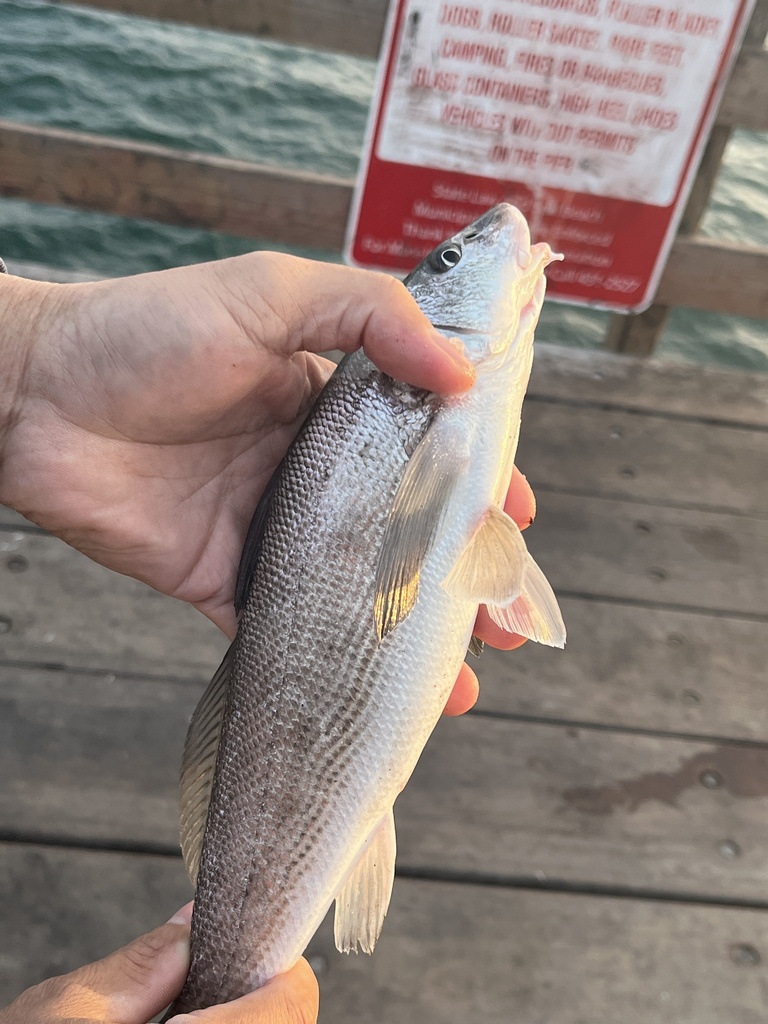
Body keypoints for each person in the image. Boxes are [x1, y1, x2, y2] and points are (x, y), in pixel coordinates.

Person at [0, 252, 536, 1023]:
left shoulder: (445, 406)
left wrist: (24, 368)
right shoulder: (426, 393)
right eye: (451, 258)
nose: (489, 246)